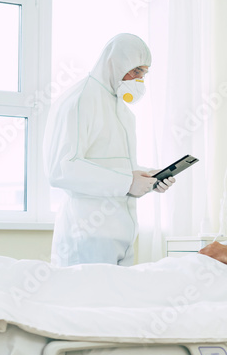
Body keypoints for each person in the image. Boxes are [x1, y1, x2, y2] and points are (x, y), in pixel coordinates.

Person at [43, 33, 176, 267]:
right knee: (89, 302)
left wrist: (148, 177)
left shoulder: (120, 109)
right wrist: (127, 181)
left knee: (117, 303)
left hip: (121, 236)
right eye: (136, 71)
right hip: (87, 236)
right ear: (116, 63)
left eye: (144, 73)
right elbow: (61, 169)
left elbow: (114, 166)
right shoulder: (80, 100)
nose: (140, 80)